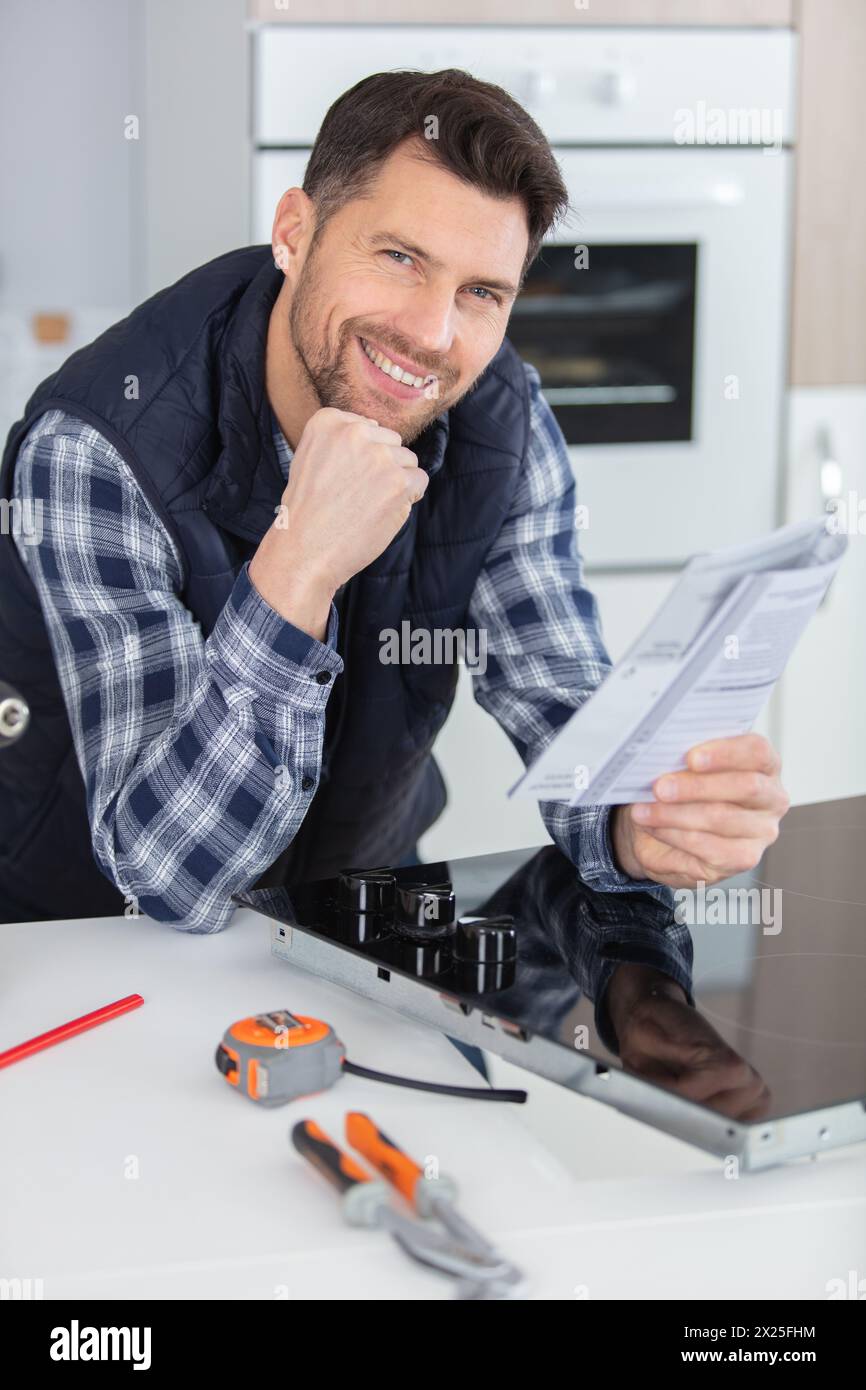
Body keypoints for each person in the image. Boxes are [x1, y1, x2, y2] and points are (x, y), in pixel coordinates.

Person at [0, 69, 789, 929]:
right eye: (401, 258)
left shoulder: (502, 420)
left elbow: (558, 687)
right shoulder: (100, 447)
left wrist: (635, 820)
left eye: (481, 292)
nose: (431, 334)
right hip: (84, 943)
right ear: (295, 232)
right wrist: (297, 568)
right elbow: (167, 882)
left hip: (358, 902)